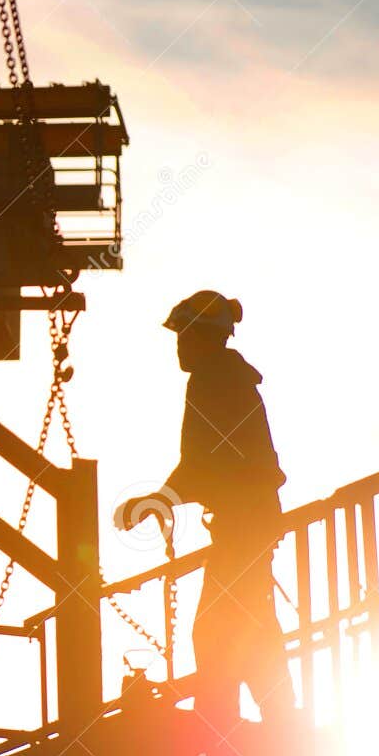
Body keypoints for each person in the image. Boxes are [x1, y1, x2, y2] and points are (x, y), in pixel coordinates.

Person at [115, 291, 297, 732]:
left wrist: (155, 501)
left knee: (218, 628)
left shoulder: (212, 380)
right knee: (250, 623)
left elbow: (201, 464)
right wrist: (162, 499)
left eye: (184, 337)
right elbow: (207, 464)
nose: (179, 347)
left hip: (244, 526)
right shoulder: (227, 377)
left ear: (204, 338)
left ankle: (222, 722)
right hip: (250, 523)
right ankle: (276, 719)